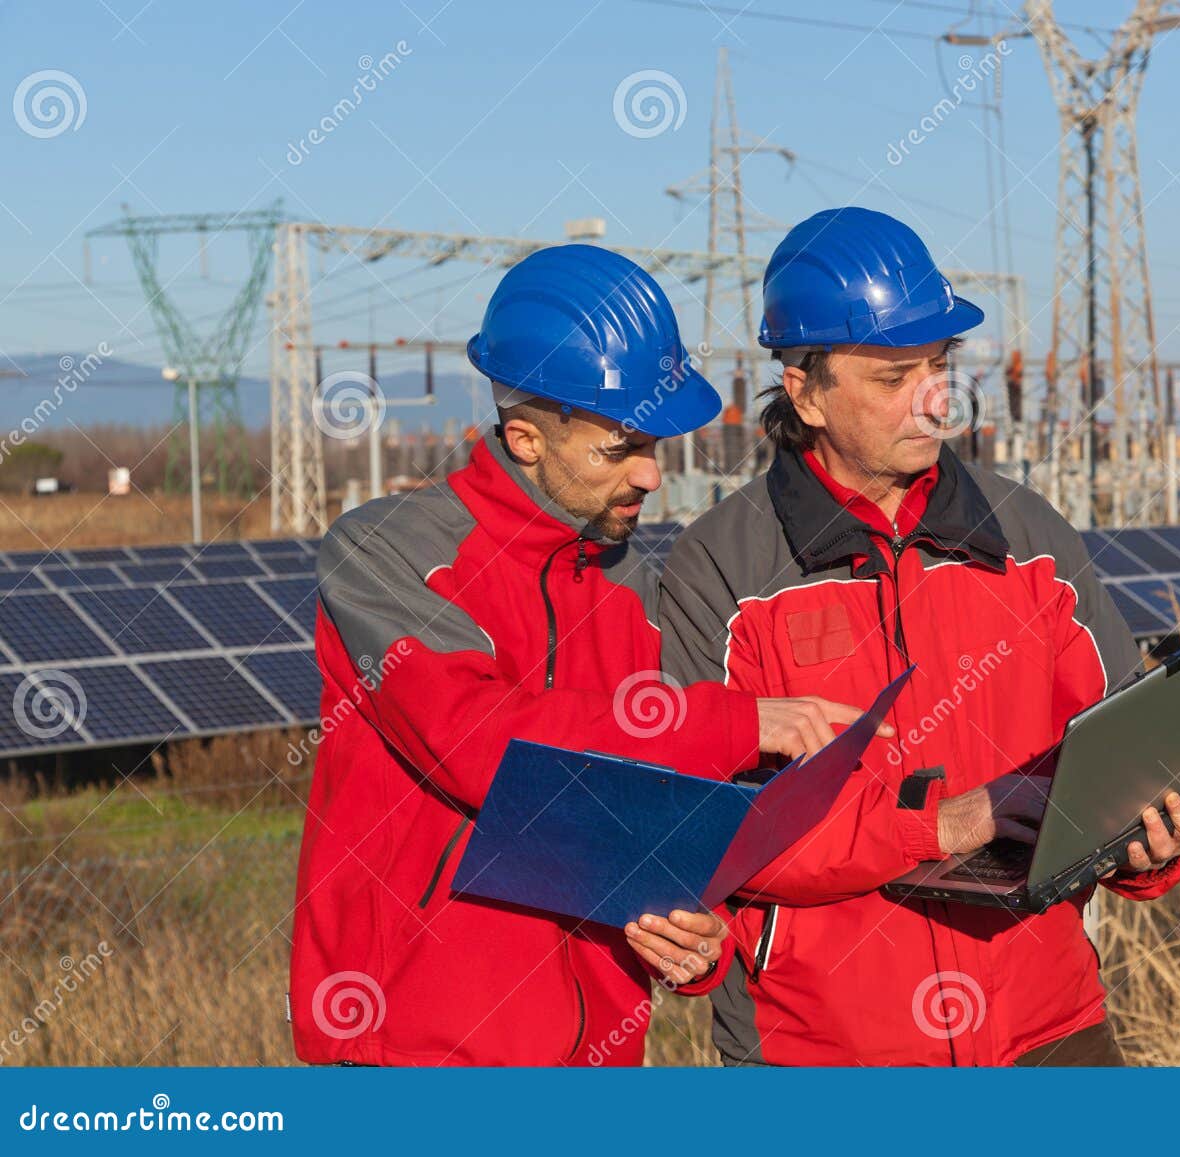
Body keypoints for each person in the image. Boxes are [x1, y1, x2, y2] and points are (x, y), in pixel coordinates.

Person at [659, 207, 1180, 1067]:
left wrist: (1149, 844)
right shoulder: (721, 573)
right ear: (805, 390)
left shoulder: (1030, 537)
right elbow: (714, 836)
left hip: (1051, 1032)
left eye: (940, 365)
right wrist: (947, 823)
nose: (934, 399)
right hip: (824, 1055)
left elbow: (1115, 752)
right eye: (894, 376)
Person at [290, 244, 882, 1066]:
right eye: (623, 448)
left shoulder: (631, 586)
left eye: (659, 445)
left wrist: (694, 940)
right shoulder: (390, 554)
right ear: (526, 436)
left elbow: (660, 810)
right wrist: (736, 722)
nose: (652, 475)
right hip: (417, 1057)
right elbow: (482, 747)